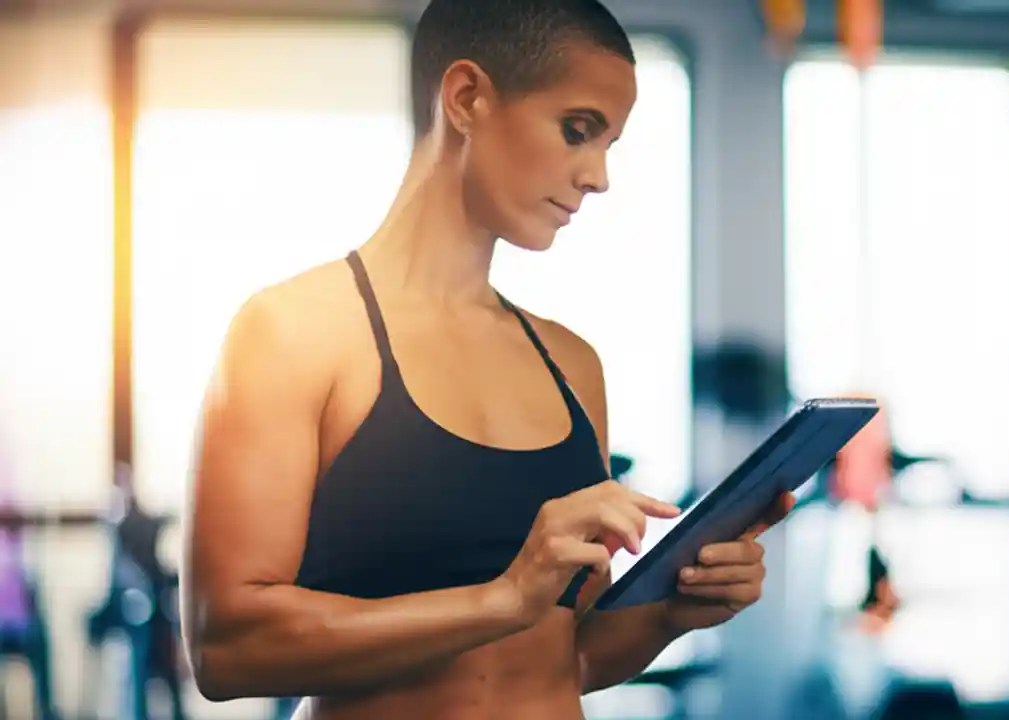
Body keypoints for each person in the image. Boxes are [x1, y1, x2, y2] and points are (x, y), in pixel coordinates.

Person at [179, 2, 794, 718]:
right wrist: (501, 598)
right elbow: (226, 650)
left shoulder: (571, 364)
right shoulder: (293, 331)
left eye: (608, 144)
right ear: (467, 98)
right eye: (578, 130)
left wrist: (674, 611)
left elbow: (573, 652)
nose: (598, 176)